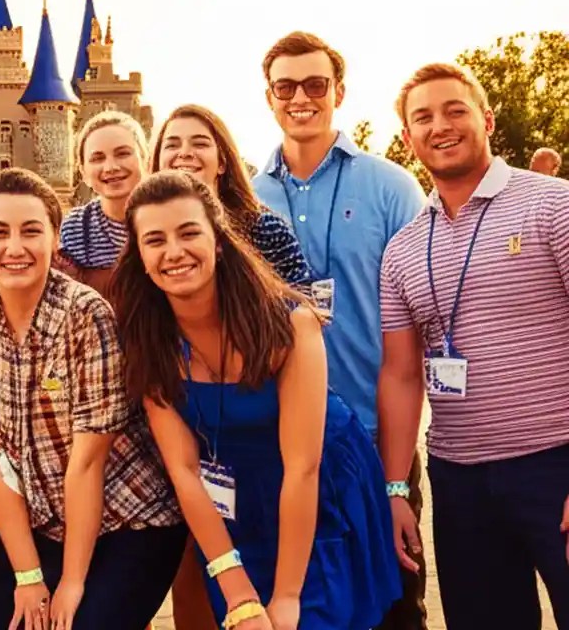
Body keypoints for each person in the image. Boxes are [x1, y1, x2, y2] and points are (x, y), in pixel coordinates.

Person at [118, 170, 400, 630]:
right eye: (155, 240)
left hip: (316, 486)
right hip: (230, 500)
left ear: (219, 241)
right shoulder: (148, 339)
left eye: (189, 232)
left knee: (311, 618)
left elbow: (302, 467)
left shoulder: (289, 325)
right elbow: (184, 470)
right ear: (141, 258)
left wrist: (287, 596)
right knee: (244, 617)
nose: (174, 251)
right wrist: (238, 590)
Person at [0, 168, 187, 630]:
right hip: (36, 521)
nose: (15, 248)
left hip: (128, 518)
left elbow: (87, 464)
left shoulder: (85, 313)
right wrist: (29, 576)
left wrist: (72, 582)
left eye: (31, 231)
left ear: (55, 240)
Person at [378, 63, 569, 628]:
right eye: (423, 118)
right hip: (460, 480)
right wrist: (394, 490)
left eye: (454, 110)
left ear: (485, 119)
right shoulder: (404, 249)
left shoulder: (552, 206)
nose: (441, 126)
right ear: (409, 140)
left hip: (555, 463)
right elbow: (401, 375)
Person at [249, 31, 427, 630]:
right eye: (286, 86)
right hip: (279, 443)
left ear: (339, 92)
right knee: (305, 605)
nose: (301, 97)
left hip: (377, 435)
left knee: (397, 606)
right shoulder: (246, 199)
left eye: (315, 84)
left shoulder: (391, 186)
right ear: (269, 98)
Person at [152, 104, 309, 286]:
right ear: (158, 163)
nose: (185, 153)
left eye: (200, 144)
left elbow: (305, 301)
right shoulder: (143, 232)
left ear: (222, 163)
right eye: (172, 145)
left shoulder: (264, 230)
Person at [57, 110, 148, 297]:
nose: (111, 167)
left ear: (144, 158)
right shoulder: (76, 228)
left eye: (122, 154)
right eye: (97, 158)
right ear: (83, 171)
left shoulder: (167, 216)